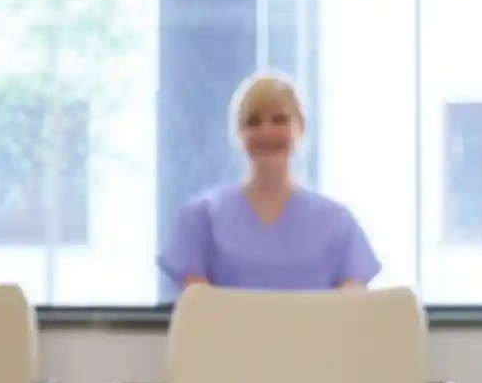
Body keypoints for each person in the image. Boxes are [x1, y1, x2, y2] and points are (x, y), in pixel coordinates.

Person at [157, 71, 381, 291]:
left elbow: (350, 306)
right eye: (253, 122)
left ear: (301, 127)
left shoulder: (339, 224)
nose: (267, 132)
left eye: (280, 120)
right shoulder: (201, 219)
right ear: (238, 132)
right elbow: (198, 306)